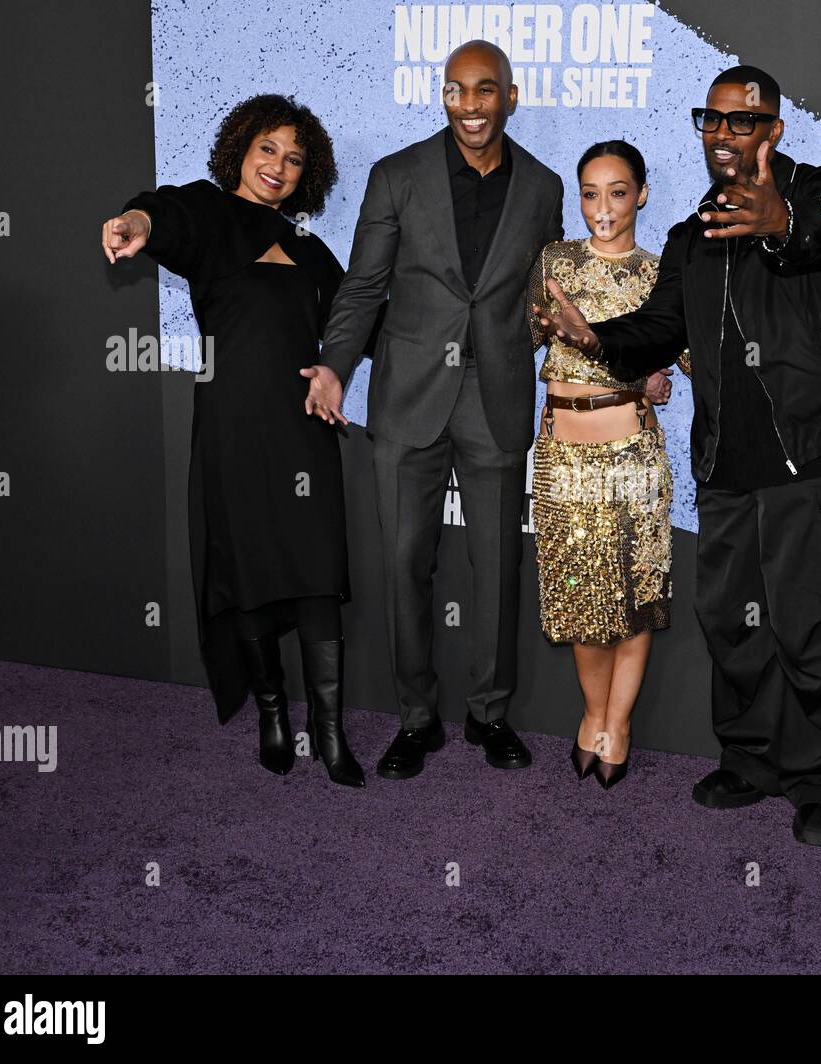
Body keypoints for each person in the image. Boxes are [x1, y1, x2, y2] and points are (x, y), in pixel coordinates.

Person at [534, 67, 821, 844]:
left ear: (774, 131)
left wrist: (778, 219)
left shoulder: (820, 192)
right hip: (724, 467)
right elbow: (658, 328)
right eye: (712, 120)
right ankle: (751, 760)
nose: (724, 134)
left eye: (743, 121)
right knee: (736, 626)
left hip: (812, 460)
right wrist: (596, 338)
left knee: (816, 629)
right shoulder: (692, 237)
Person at [305, 41, 564, 779]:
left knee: (499, 567)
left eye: (487, 90)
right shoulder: (397, 176)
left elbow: (540, 299)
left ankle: (491, 714)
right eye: (457, 90)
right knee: (402, 562)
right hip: (409, 399)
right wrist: (333, 364)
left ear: (509, 97)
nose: (472, 104)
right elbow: (363, 288)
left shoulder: (542, 186)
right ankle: (415, 719)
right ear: (443, 96)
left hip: (497, 400)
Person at [101, 93, 366, 787]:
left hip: (304, 432)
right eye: (267, 149)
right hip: (232, 430)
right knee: (245, 573)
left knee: (316, 576)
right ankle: (273, 716)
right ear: (241, 151)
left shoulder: (312, 250)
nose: (279, 166)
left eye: (294, 157)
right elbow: (162, 213)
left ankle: (330, 734)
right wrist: (133, 222)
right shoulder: (211, 216)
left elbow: (357, 321)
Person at [527, 141, 681, 790]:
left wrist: (660, 380)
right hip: (563, 459)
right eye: (590, 192)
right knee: (581, 604)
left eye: (617, 191)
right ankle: (593, 712)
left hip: (634, 461)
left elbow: (686, 362)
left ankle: (616, 725)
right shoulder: (554, 262)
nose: (603, 207)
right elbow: (522, 335)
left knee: (636, 603)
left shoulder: (658, 273)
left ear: (641, 194)